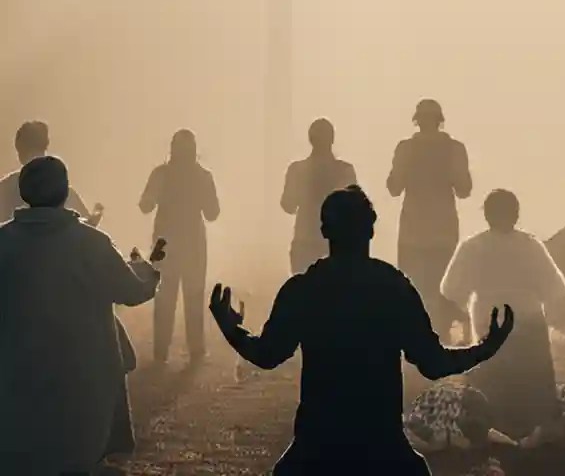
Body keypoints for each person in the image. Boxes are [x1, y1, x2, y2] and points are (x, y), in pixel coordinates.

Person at [208, 185, 515, 475]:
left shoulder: (304, 289)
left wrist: (231, 328)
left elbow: (266, 354)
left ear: (324, 230)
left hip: (319, 448)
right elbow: (434, 363)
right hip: (381, 448)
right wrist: (486, 347)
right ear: (371, 229)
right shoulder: (393, 288)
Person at [0, 156, 161, 475]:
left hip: (15, 379)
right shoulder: (92, 243)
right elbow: (133, 291)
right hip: (82, 380)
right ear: (65, 191)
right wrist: (146, 270)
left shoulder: (4, 242)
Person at [441, 190, 565, 447]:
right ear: (516, 214)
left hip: (488, 323)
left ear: (487, 215)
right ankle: (538, 427)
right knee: (533, 384)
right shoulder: (531, 246)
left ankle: (486, 428)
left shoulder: (472, 247)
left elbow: (450, 290)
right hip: (529, 321)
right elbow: (556, 288)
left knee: (487, 383)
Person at [387, 99, 472, 341]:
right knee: (443, 285)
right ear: (440, 120)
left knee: (412, 285)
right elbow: (465, 188)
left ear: (417, 120)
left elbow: (394, 187)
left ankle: (414, 333)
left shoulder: (405, 149)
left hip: (413, 229)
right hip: (443, 228)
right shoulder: (454, 149)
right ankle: (441, 334)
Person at [140, 129, 220, 365]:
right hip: (194, 240)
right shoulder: (203, 176)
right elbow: (213, 213)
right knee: (193, 295)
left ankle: (161, 351)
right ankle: (196, 349)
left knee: (163, 294)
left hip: (163, 242)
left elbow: (145, 205)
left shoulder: (160, 174)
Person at [282, 119, 358, 274]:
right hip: (335, 243)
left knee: (304, 293)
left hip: (304, 241)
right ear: (332, 139)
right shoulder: (344, 171)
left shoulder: (297, 170)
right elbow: (355, 208)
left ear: (310, 139)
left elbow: (287, 205)